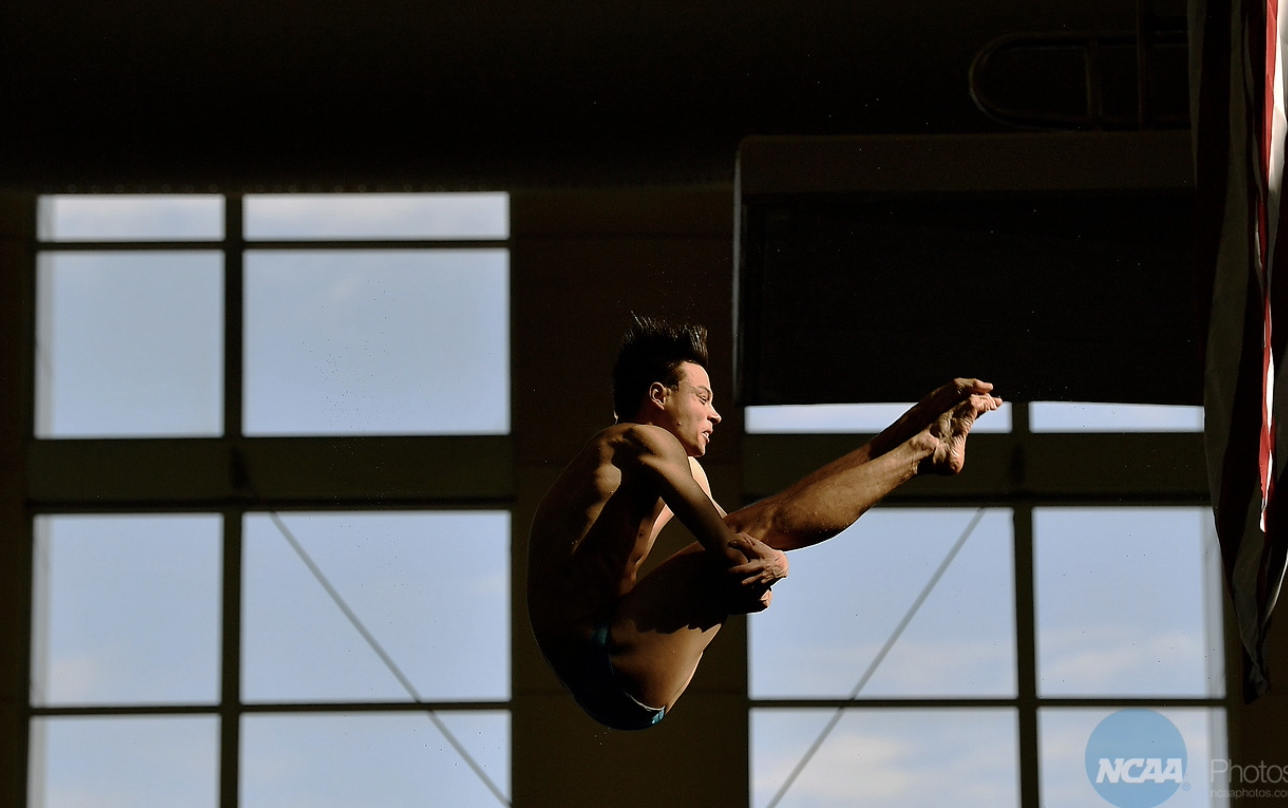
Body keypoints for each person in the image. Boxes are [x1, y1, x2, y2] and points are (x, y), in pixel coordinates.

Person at [526, 315, 1001, 730]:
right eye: (703, 397)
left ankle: (926, 441)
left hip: (619, 668)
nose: (714, 414)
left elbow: (770, 527)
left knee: (764, 518)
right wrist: (761, 565)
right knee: (758, 528)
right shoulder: (634, 441)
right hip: (605, 660)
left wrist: (920, 415)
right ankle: (924, 451)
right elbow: (737, 554)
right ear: (658, 396)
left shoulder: (682, 467)